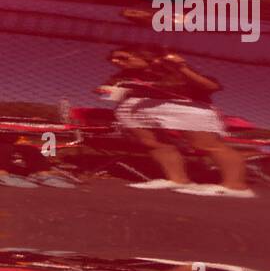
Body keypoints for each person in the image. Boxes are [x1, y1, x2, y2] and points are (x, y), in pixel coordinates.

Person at [99, 48, 252, 197]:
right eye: (112, 59)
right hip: (137, 111)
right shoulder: (121, 76)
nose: (115, 61)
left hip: (183, 108)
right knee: (153, 143)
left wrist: (182, 67)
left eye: (123, 58)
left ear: (145, 57)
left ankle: (236, 186)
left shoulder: (173, 70)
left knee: (206, 145)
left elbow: (211, 86)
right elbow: (109, 93)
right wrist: (105, 91)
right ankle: (177, 180)